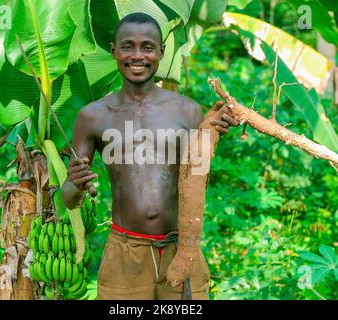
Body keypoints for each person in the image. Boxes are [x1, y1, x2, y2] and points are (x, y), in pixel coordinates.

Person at [61, 12, 238, 300]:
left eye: (147, 47)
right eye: (127, 46)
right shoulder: (93, 116)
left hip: (180, 250)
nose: (137, 56)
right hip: (125, 254)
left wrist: (210, 136)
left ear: (161, 53)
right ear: (113, 51)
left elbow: (198, 181)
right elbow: (68, 198)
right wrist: (75, 182)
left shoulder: (187, 110)